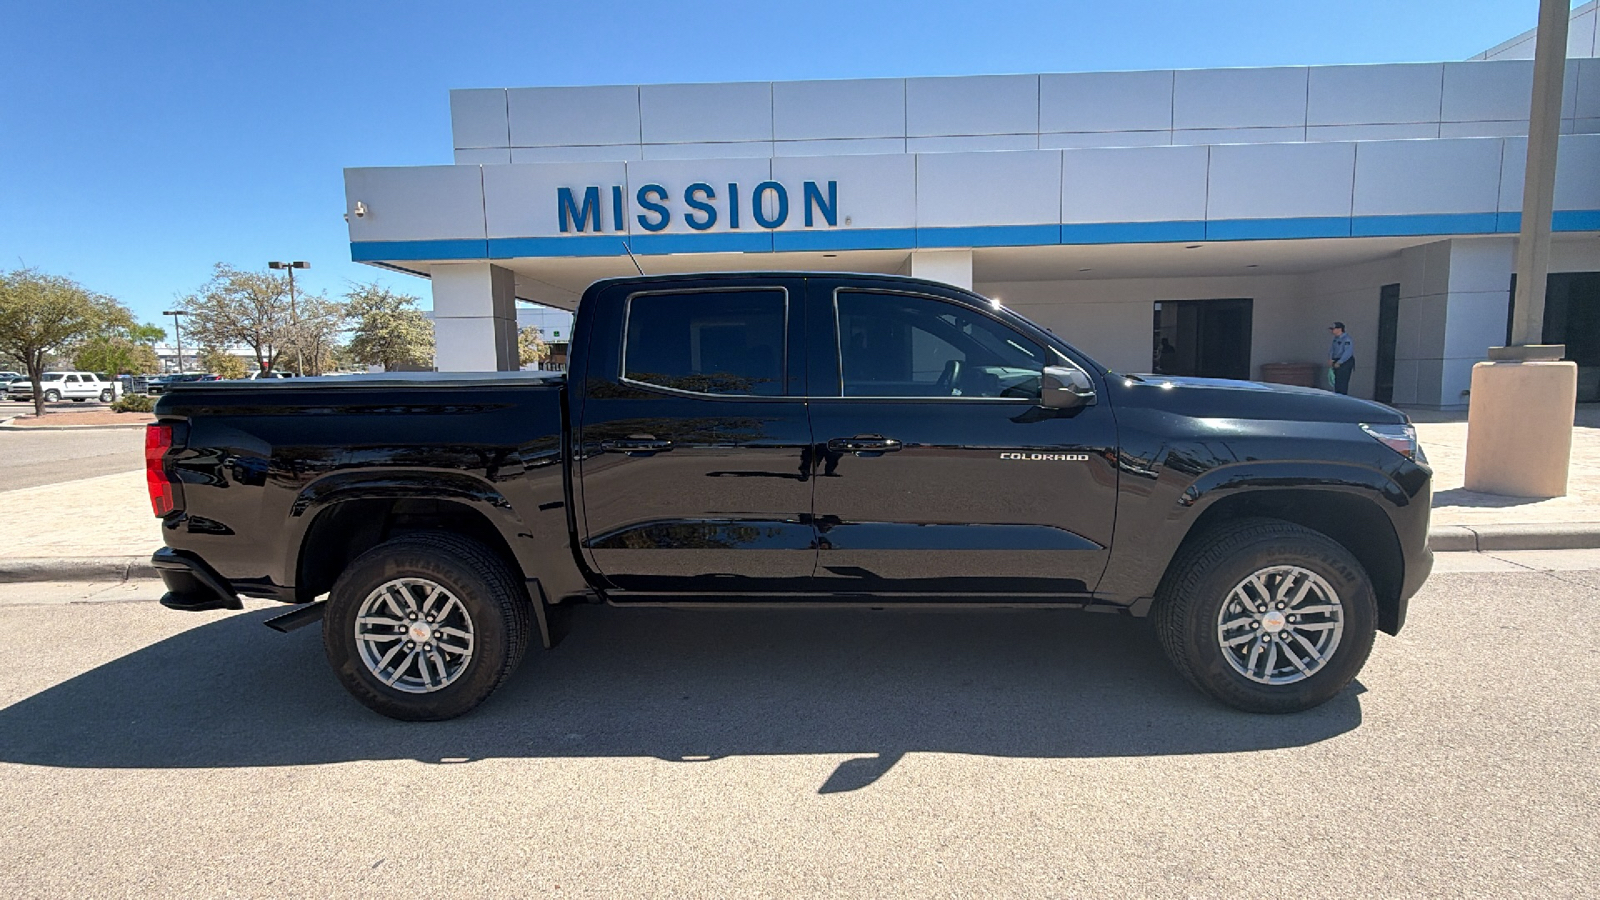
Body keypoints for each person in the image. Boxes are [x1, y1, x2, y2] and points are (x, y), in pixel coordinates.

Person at [1328, 322, 1355, 395]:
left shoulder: (1346, 339)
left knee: (1342, 383)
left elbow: (1348, 352)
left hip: (1344, 363)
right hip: (1336, 361)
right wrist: (1331, 359)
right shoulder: (1335, 339)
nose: (1332, 331)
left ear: (1339, 329)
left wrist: (1340, 362)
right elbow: (1332, 349)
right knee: (1337, 382)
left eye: (1333, 329)